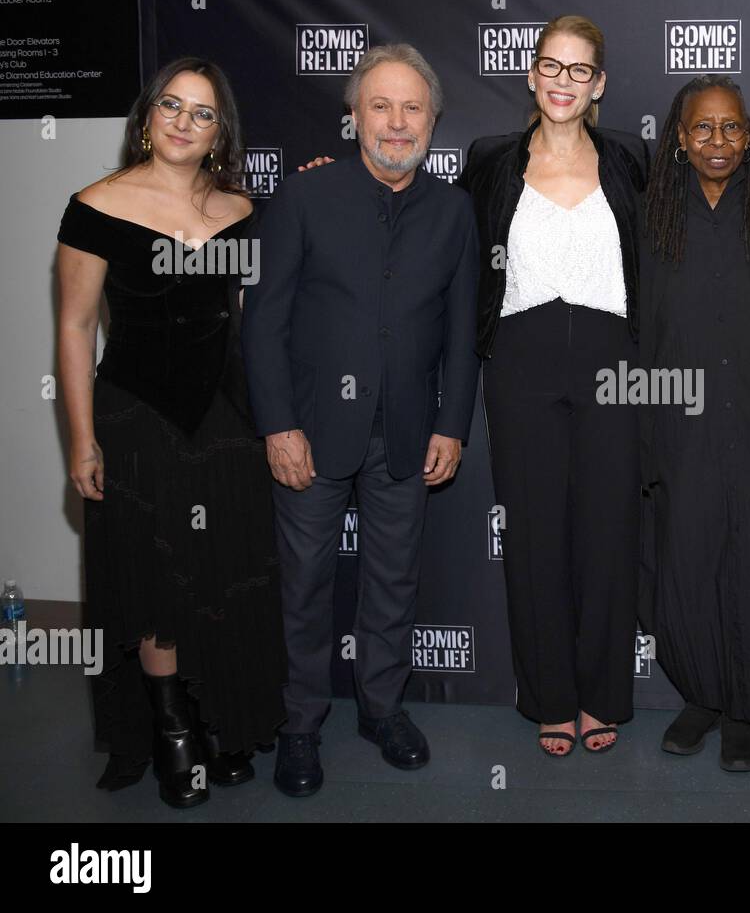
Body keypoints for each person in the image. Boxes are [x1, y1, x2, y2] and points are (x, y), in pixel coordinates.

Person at [242, 44, 480, 797]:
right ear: (353, 118)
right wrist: (278, 425)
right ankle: (301, 723)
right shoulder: (305, 197)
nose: (398, 121)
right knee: (306, 582)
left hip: (407, 435)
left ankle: (382, 708)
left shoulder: (453, 209)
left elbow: (463, 332)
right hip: (312, 433)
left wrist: (452, 424)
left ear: (434, 121)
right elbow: (264, 322)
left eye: (413, 107)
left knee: (391, 582)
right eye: (381, 105)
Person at [56, 57, 287, 808]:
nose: (185, 121)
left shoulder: (243, 211)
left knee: (218, 575)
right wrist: (81, 440)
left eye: (203, 112)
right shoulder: (94, 205)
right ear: (147, 116)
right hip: (133, 419)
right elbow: (74, 327)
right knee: (155, 583)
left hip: (222, 423)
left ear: (222, 133)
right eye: (172, 107)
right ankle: (169, 727)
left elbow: (253, 324)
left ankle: (216, 714)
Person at [457, 15, 647, 756]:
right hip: (521, 357)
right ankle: (549, 695)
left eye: (580, 70)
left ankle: (603, 694)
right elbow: (443, 234)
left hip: (614, 357)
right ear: (531, 74)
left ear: (598, 83)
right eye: (551, 66)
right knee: (534, 534)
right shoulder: (491, 159)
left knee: (608, 530)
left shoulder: (632, 158)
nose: (563, 81)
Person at [639, 76, 750, 771]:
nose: (717, 141)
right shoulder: (650, 210)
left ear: (749, 133)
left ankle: (744, 709)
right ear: (679, 136)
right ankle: (702, 695)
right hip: (679, 420)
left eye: (731, 127)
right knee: (689, 559)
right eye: (702, 128)